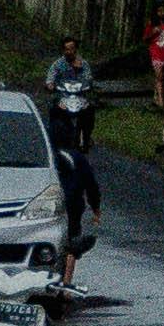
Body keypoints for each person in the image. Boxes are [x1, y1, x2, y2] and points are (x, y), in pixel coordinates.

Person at [42, 36, 100, 272]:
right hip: (63, 98)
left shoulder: (82, 65)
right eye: (66, 49)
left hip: (78, 98)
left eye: (72, 48)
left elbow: (89, 80)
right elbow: (49, 80)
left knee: (89, 111)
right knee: (54, 109)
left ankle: (87, 133)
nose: (69, 52)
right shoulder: (57, 65)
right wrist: (51, 85)